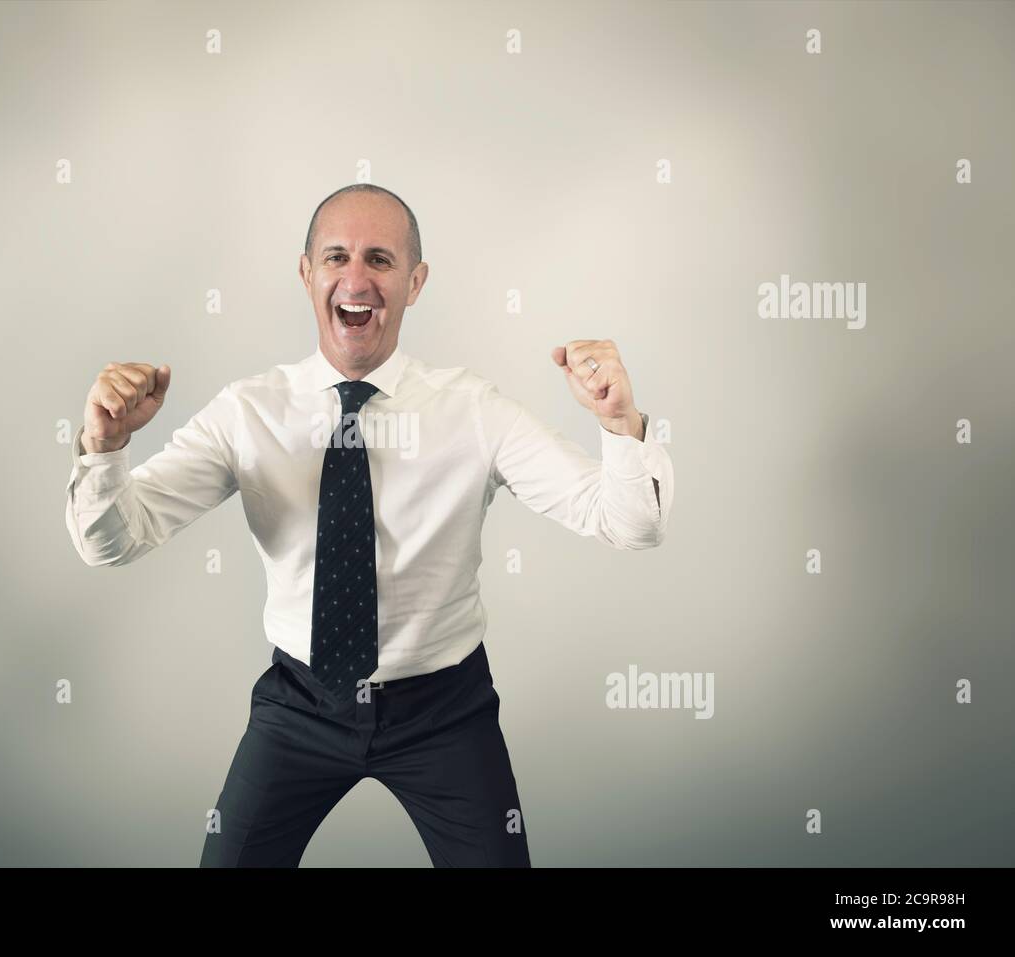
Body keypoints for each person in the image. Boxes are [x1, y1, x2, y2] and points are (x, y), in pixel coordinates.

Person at [64, 184, 674, 866]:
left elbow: (629, 523)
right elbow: (109, 542)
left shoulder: (472, 410)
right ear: (307, 274)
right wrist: (106, 449)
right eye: (337, 257)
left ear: (415, 283)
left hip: (445, 709)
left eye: (380, 260)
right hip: (299, 705)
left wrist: (621, 427)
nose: (357, 280)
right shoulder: (249, 412)